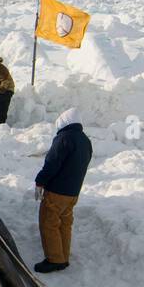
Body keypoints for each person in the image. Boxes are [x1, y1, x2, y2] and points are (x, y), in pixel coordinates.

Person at [33, 108, 92, 273]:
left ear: (65, 122)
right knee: (65, 224)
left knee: (49, 223)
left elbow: (52, 163)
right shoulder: (85, 141)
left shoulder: (64, 138)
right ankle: (63, 256)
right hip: (73, 193)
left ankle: (55, 260)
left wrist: (40, 181)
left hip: (57, 191)